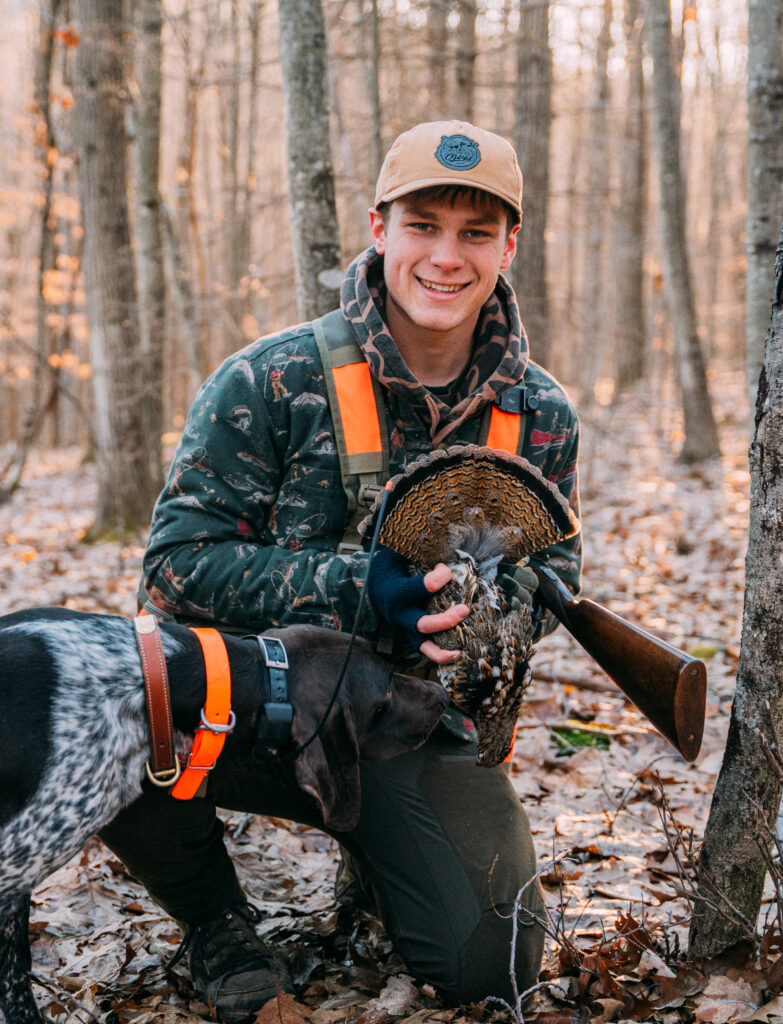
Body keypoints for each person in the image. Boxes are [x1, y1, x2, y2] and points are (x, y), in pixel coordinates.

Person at [100, 120, 582, 1022]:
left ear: (509, 245)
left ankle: (376, 870)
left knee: (491, 968)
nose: (446, 256)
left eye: (476, 232)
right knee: (117, 697)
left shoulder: (540, 411)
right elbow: (174, 568)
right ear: (377, 228)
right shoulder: (272, 379)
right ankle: (214, 923)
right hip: (250, 706)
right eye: (422, 225)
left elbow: (553, 573)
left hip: (403, 721)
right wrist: (359, 590)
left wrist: (481, 620)